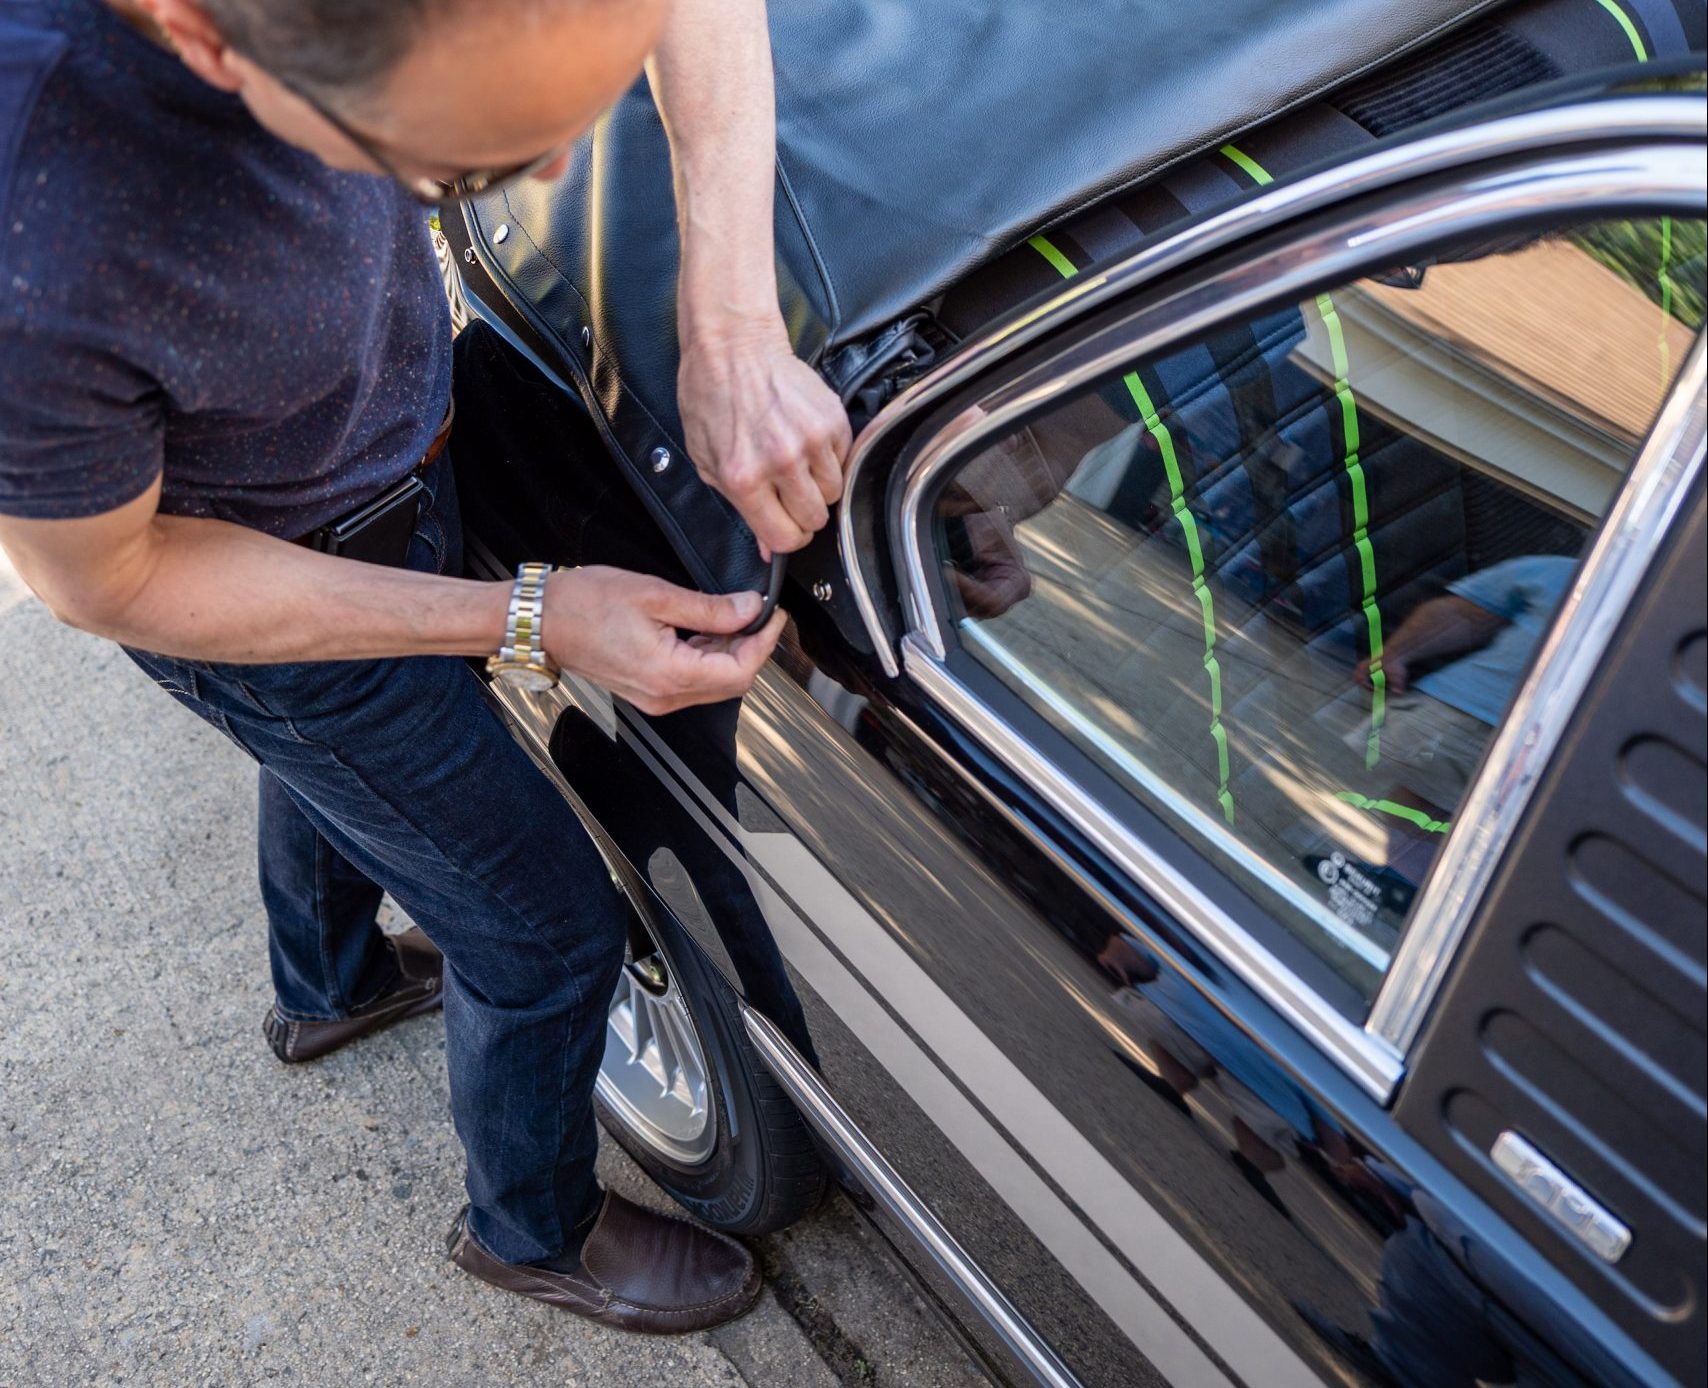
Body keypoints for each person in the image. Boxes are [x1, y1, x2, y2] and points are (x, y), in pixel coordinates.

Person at [0, 0, 852, 1334]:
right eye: (467, 170)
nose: (559, 181)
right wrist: (527, 616)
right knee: (545, 928)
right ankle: (531, 1226)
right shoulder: (40, 244)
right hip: (266, 599)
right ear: (205, 38)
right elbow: (110, 581)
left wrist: (734, 327)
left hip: (398, 459)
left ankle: (329, 991)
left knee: (353, 779)